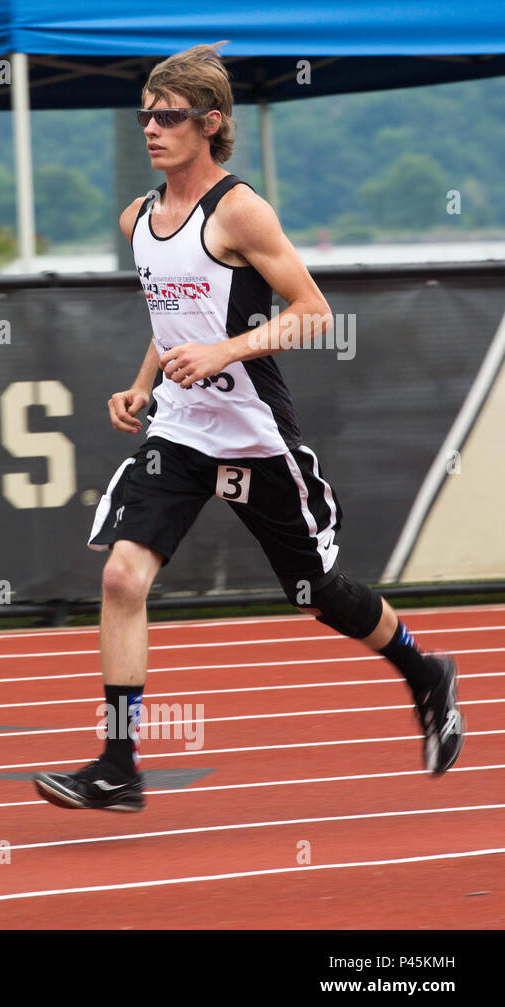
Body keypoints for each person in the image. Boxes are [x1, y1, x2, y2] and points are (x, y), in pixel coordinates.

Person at [32, 43, 464, 813]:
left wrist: (225, 350)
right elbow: (169, 318)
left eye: (167, 117)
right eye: (144, 115)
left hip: (255, 435)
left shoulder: (239, 210)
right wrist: (140, 387)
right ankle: (119, 764)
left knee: (316, 593)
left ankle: (422, 671)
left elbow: (313, 313)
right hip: (181, 434)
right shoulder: (138, 217)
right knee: (122, 576)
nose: (150, 129)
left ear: (210, 124)